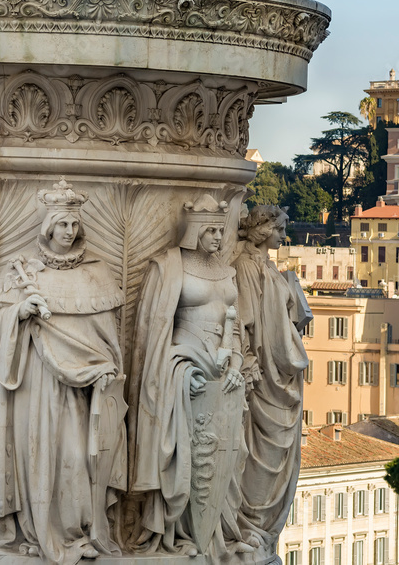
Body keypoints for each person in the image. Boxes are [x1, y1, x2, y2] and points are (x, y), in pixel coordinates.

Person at [0, 179, 127, 565]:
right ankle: (34, 527)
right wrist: (19, 314)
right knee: (36, 453)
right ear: (48, 226)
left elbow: (107, 337)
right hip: (35, 381)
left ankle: (75, 531)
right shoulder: (21, 270)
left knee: (76, 457)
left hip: (81, 392)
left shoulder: (96, 273)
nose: (69, 231)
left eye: (74, 225)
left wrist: (104, 368)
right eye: (62, 224)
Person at [133, 194, 251, 557]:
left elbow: (233, 324)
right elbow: (156, 331)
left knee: (226, 453)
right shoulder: (169, 268)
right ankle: (178, 531)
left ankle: (216, 532)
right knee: (187, 451)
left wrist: (235, 362)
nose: (219, 237)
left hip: (224, 371)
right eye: (211, 230)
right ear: (195, 231)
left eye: (221, 230)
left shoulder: (227, 270)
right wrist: (176, 370)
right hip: (184, 365)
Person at [232, 205, 308, 553]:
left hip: (278, 370)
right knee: (262, 447)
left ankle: (259, 528)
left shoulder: (269, 267)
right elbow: (247, 318)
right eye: (279, 228)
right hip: (263, 369)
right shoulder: (246, 267)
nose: (283, 235)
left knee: (277, 448)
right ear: (263, 230)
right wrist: (248, 359)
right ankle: (249, 523)